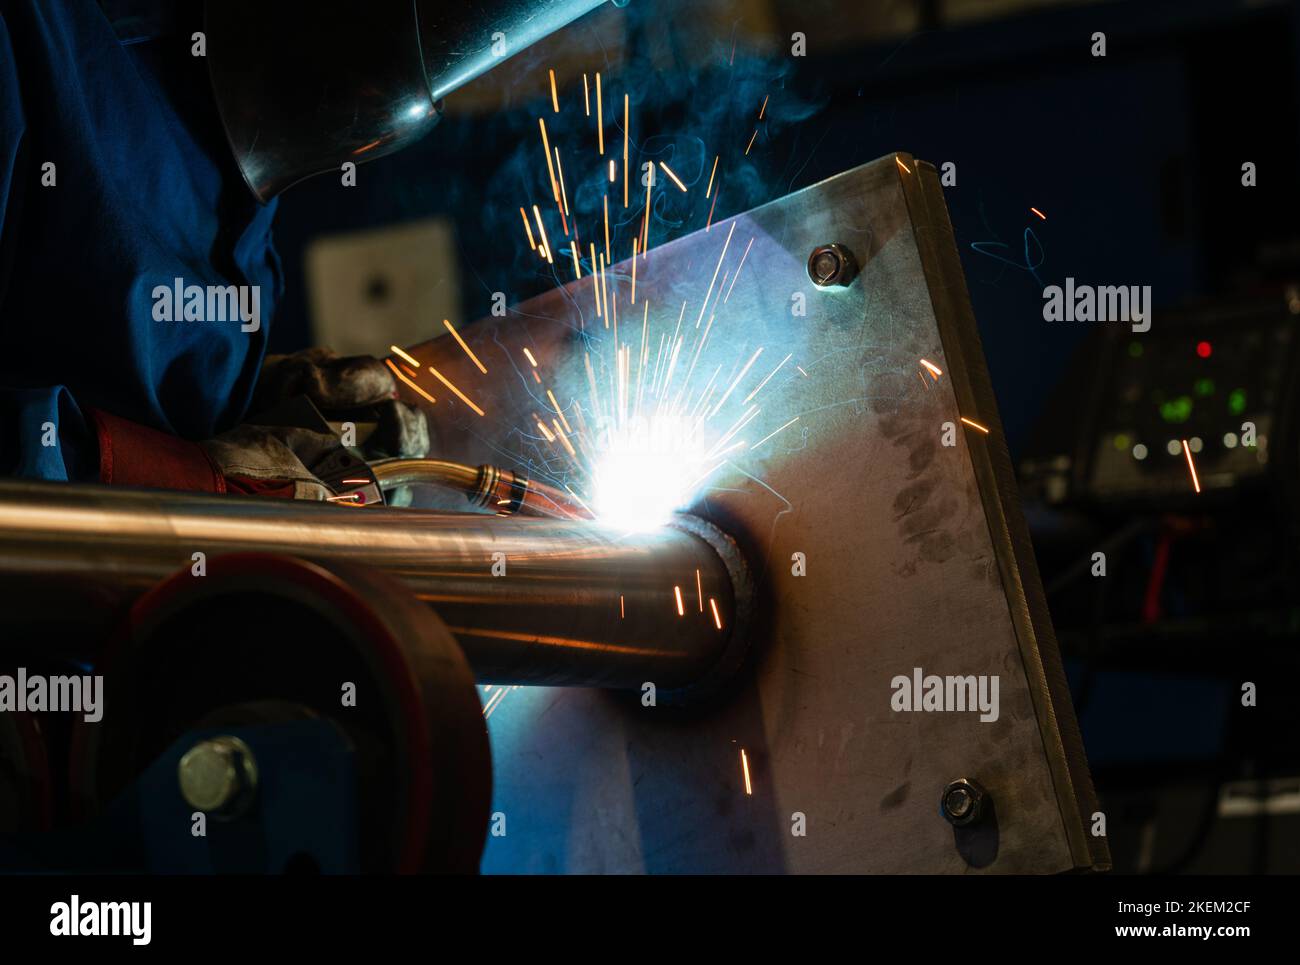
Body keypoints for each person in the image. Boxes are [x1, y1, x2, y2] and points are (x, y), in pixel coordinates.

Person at [0, 0, 601, 498]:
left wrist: (254, 418)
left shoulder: (250, 191)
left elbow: (100, 370)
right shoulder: (28, 46)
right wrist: (195, 485)